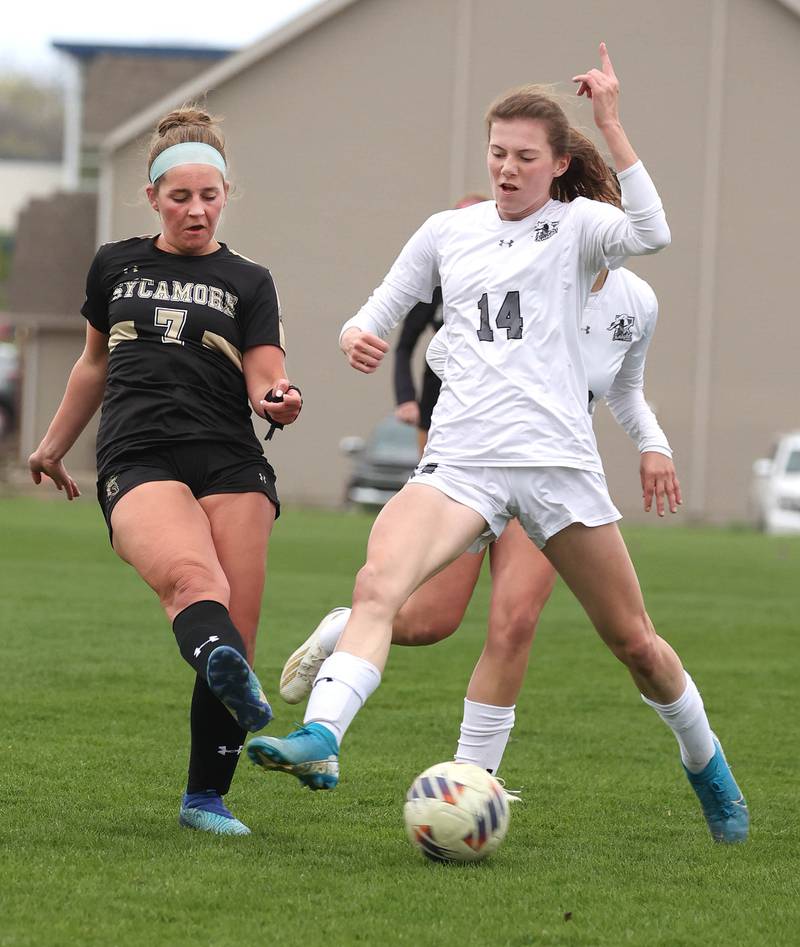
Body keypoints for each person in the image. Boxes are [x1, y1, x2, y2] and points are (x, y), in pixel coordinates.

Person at [248, 45, 748, 844]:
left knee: (637, 644)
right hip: (463, 461)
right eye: (498, 154)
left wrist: (612, 123)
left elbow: (652, 232)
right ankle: (323, 733)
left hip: (557, 468)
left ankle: (707, 764)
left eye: (524, 157)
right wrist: (357, 336)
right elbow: (378, 309)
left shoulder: (581, 228)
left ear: (556, 166)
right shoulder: (449, 230)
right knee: (382, 580)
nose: (508, 169)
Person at [278, 254, 681, 784]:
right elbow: (436, 355)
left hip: (552, 475)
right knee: (429, 622)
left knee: (515, 623)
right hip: (474, 465)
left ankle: (471, 778)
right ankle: (342, 630)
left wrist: (653, 444)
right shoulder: (509, 267)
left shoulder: (633, 297)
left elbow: (624, 387)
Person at [28, 106, 302, 837]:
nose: (196, 210)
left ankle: (205, 798)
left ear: (225, 194)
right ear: (153, 197)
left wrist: (279, 399)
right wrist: (53, 444)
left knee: (235, 633)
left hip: (230, 455)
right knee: (195, 583)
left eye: (209, 196)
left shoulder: (249, 280)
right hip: (139, 450)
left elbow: (265, 376)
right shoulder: (115, 263)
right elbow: (93, 363)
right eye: (180, 197)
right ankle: (216, 660)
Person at [393, 194, 488, 454]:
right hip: (438, 389)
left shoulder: (509, 277)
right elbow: (404, 346)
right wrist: (406, 398)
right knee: (431, 473)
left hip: (489, 387)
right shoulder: (437, 284)